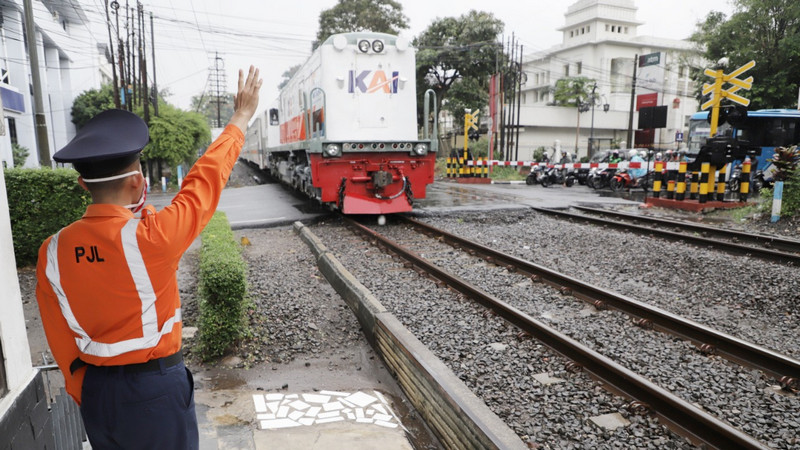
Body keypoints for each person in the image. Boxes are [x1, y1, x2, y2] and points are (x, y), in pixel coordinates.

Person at [35, 66, 262, 449]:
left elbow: (58, 335)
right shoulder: (152, 238)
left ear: (81, 184)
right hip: (155, 391)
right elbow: (203, 182)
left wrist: (83, 389)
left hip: (97, 392)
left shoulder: (52, 250)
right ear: (138, 182)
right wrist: (240, 117)